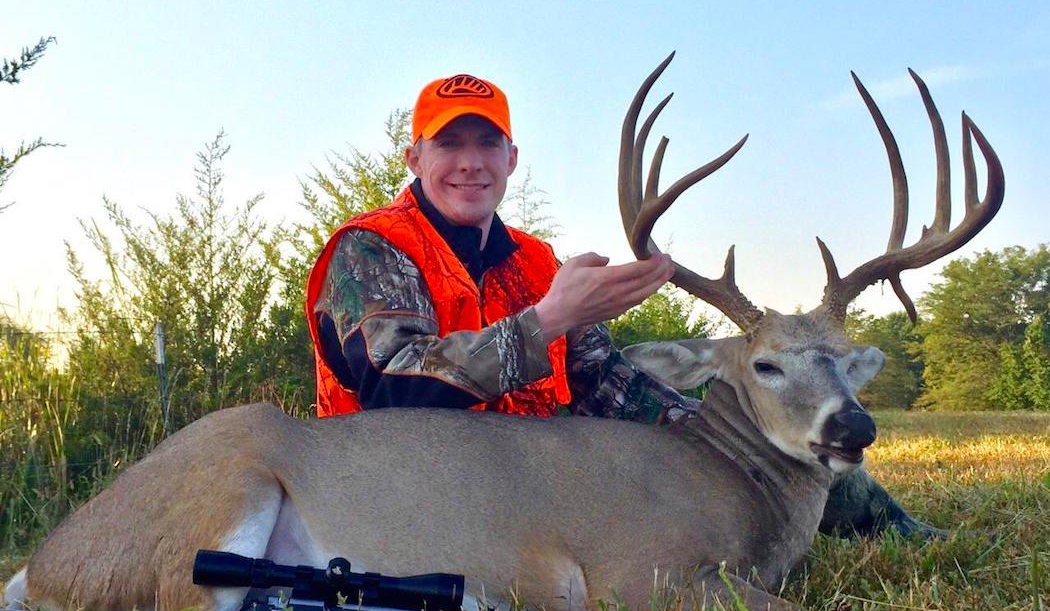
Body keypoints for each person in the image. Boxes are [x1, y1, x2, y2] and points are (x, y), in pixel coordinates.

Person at [305, 72, 938, 538]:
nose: (470, 164)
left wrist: (732, 431)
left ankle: (891, 525)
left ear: (511, 159)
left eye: (487, 144)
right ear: (414, 157)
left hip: (529, 478)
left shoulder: (534, 262)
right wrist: (548, 319)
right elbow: (395, 388)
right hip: (395, 488)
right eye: (449, 144)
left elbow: (603, 384)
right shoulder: (372, 250)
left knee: (757, 449)